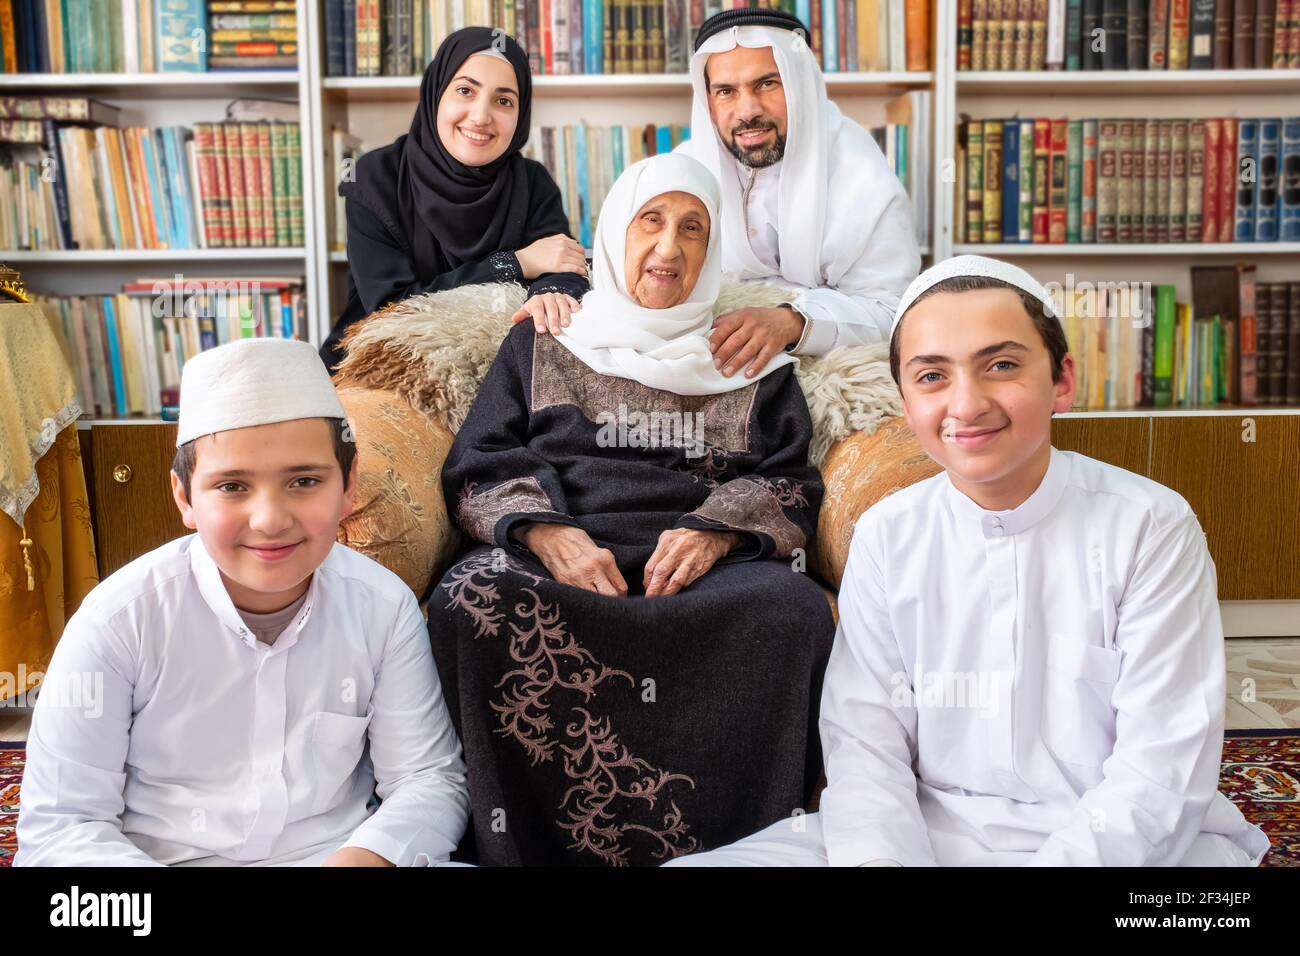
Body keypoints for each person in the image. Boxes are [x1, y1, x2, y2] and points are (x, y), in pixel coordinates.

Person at [666, 254, 1271, 867]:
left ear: (1062, 380)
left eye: (1001, 365)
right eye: (932, 376)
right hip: (925, 832)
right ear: (904, 400)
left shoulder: (1150, 526)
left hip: (1117, 842)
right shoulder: (887, 534)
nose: (968, 403)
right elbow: (865, 747)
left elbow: (1160, 771)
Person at [426, 152, 834, 866]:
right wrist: (547, 532)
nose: (669, 248)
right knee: (468, 600)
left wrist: (717, 532)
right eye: (651, 221)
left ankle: (744, 853)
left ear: (712, 251)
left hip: (703, 571)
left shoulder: (748, 358)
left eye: (693, 229)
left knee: (793, 613)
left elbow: (791, 480)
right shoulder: (545, 336)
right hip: (558, 554)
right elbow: (480, 458)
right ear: (616, 231)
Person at [16, 338, 469, 866]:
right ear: (185, 499)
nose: (270, 519)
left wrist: (367, 857)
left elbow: (427, 778)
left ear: (348, 486)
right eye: (232, 486)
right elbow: (62, 827)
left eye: (304, 481)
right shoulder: (119, 619)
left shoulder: (382, 606)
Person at [321, 26, 589, 370]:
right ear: (436, 93)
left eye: (503, 100)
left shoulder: (532, 181)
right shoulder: (374, 177)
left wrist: (551, 292)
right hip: (384, 365)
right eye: (465, 90)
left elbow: (564, 268)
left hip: (499, 367)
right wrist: (516, 263)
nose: (480, 116)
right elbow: (392, 307)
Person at [674, 9, 921, 379]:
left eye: (767, 84)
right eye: (726, 91)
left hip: (837, 371)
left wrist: (793, 321)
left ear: (800, 85)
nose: (748, 111)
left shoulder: (861, 177)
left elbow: (895, 312)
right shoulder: (685, 170)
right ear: (707, 100)